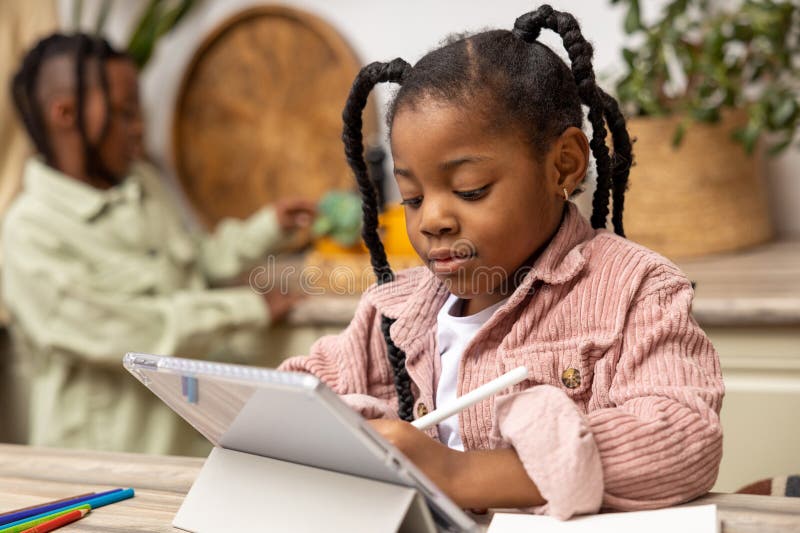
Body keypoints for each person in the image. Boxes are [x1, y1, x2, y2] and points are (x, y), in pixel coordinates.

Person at [280, 5, 724, 519]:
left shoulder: (636, 290)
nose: (432, 220)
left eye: (470, 189)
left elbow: (684, 439)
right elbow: (296, 398)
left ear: (564, 165)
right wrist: (354, 427)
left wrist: (455, 473)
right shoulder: (395, 311)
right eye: (413, 198)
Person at [2, 33, 315, 455]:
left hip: (187, 448)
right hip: (106, 471)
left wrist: (267, 227)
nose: (139, 128)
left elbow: (193, 258)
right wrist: (245, 309)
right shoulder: (28, 232)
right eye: (124, 113)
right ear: (66, 113)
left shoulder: (144, 184)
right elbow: (131, 330)